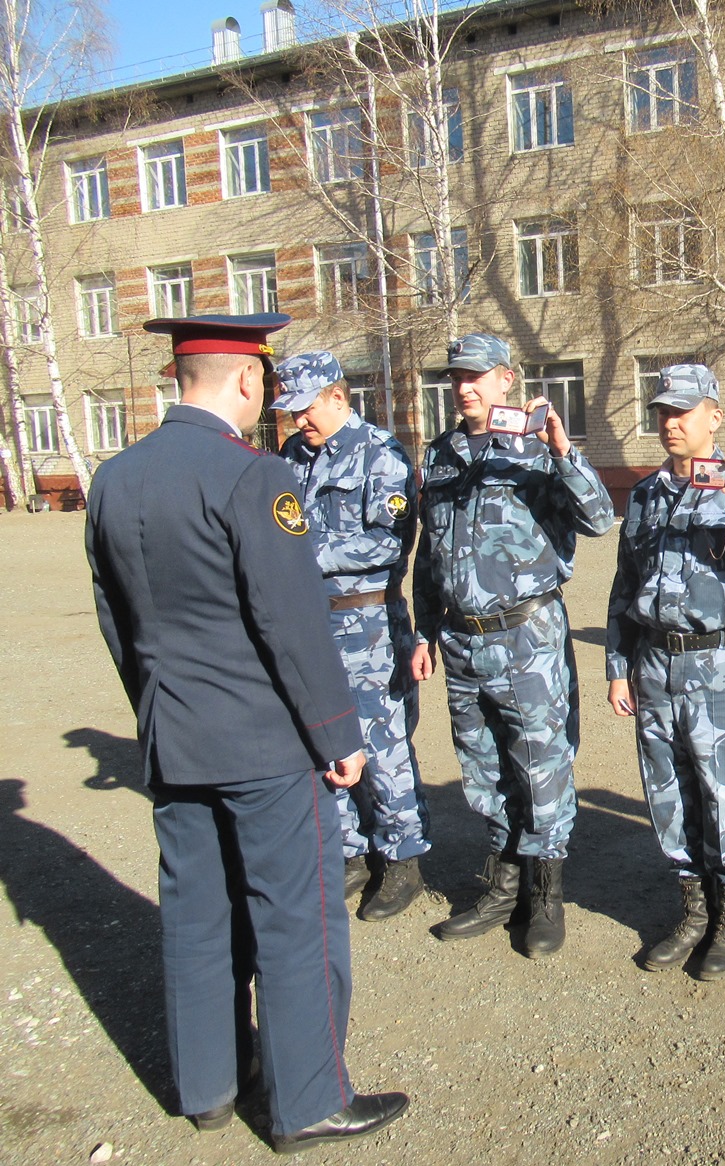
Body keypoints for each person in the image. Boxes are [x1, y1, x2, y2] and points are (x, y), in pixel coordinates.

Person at [85, 313, 407, 1152]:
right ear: (248, 380)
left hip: (175, 738)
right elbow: (292, 622)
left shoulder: (115, 479)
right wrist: (339, 735)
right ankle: (306, 1101)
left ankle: (209, 1087)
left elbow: (118, 625)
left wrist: (156, 713)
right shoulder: (252, 476)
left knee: (196, 916)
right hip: (265, 747)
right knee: (295, 918)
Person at [411, 333, 614, 954]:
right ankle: (502, 887)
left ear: (507, 380)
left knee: (541, 766)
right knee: (483, 768)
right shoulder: (441, 454)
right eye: (455, 378)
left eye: (476, 376)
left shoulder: (537, 452)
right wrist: (423, 629)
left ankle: (545, 895)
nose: (464, 387)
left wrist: (562, 451)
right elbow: (431, 553)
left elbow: (599, 519)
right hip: (463, 641)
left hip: (526, 637)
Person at [606, 364, 725, 981]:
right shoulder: (648, 494)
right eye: (662, 412)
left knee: (723, 788)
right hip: (655, 661)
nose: (670, 424)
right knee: (667, 792)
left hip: (720, 664)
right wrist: (616, 665)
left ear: (714, 415)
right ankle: (691, 909)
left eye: (682, 412)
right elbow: (624, 584)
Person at [274, 352, 429, 921]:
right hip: (309, 621)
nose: (298, 423)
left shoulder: (380, 455)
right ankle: (351, 852)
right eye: (290, 412)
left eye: (306, 409)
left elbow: (391, 545)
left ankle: (403, 857)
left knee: (380, 743)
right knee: (323, 737)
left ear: (338, 397)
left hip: (367, 622)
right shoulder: (293, 456)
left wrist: (297, 558)